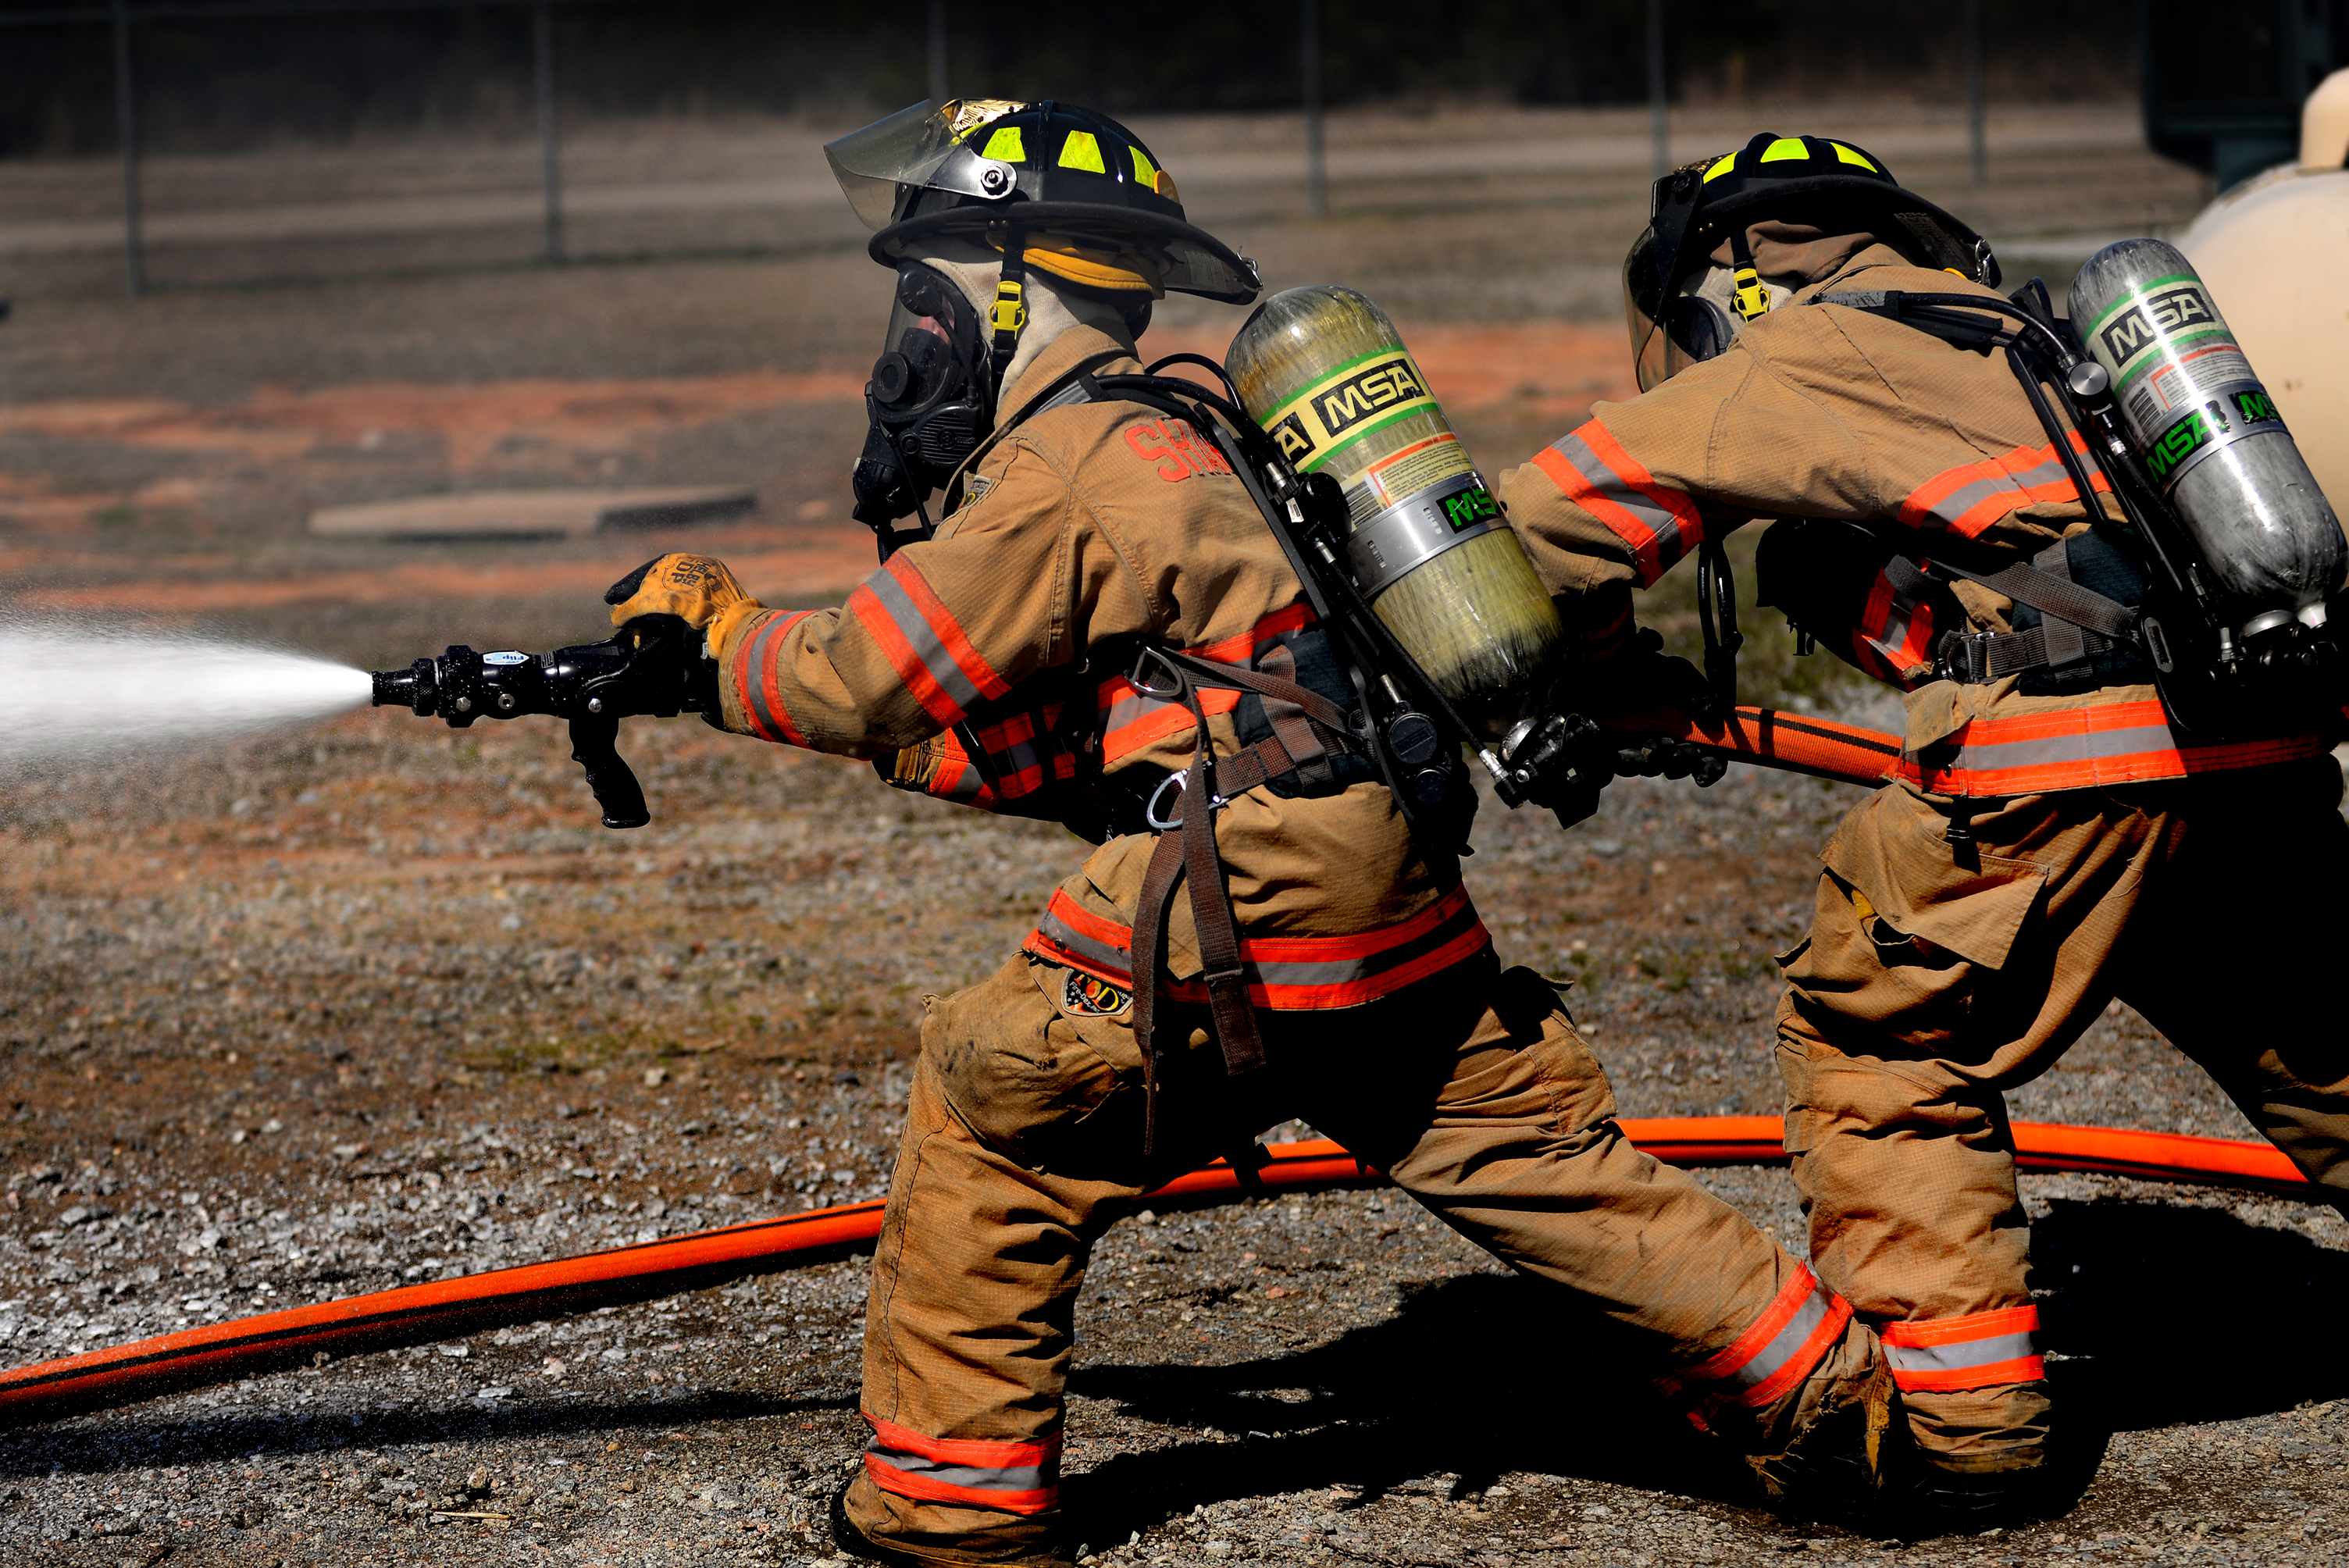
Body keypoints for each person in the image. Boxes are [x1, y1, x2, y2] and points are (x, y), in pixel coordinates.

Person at [608, 102, 1895, 1567]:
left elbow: (862, 675)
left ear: (1014, 289)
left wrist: (714, 640)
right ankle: (1838, 1400)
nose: (911, 338)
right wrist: (912, 750)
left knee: (993, 1119)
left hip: (1251, 891)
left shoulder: (1070, 460)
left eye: (931, 289)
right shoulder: (1200, 435)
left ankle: (946, 1507)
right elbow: (1135, 723)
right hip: (1384, 869)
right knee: (1536, 1160)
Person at [1498, 131, 2349, 1523]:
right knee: (2312, 1028)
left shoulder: (1803, 348)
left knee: (1879, 1036)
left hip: (2069, 744)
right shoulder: (2025, 333)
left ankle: (1964, 1428)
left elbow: (1540, 529)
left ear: (1730, 281)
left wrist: (1586, 674)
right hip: (2254, 725)